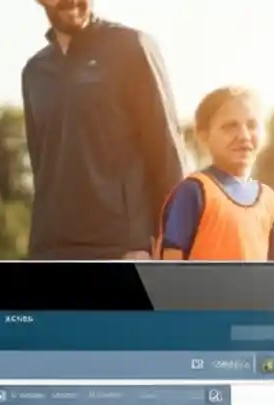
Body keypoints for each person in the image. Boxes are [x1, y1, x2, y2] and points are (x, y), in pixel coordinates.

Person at [21, 0, 187, 260]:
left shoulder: (132, 47)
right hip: (51, 250)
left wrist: (171, 245)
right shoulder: (34, 72)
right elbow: (40, 167)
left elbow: (166, 150)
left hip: (124, 248)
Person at [155, 87, 274, 261]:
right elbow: (170, 267)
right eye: (230, 126)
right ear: (203, 136)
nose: (243, 135)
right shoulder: (193, 192)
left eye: (251, 125)